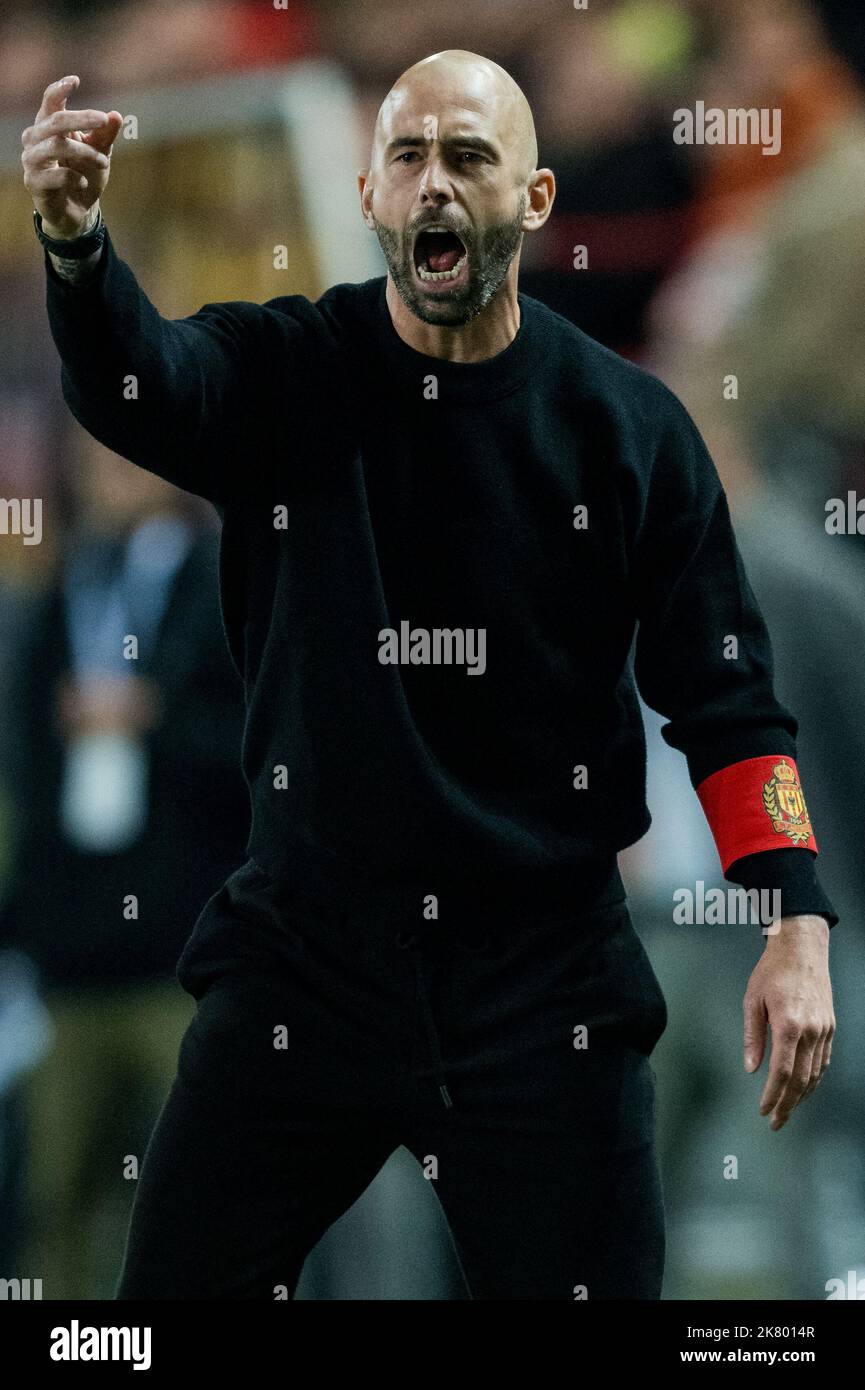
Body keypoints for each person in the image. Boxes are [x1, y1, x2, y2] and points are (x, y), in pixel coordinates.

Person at [21, 51, 837, 1301]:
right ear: (367, 194)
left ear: (538, 197)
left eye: (468, 156)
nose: (435, 186)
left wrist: (795, 915)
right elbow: (144, 384)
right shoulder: (290, 371)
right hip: (308, 952)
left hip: (543, 979)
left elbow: (725, 700)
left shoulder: (628, 429)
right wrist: (76, 247)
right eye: (408, 157)